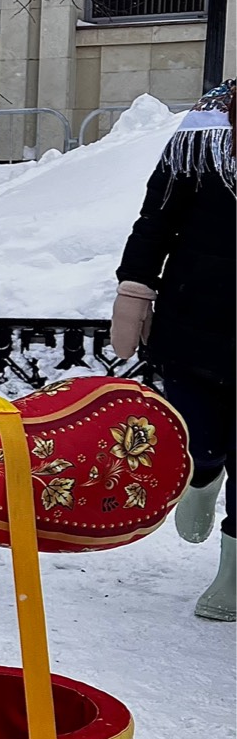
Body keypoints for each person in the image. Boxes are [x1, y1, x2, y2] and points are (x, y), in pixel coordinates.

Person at [111, 79, 236, 622]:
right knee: (202, 441)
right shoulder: (203, 131)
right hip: (196, 321)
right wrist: (135, 286)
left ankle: (232, 573)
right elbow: (158, 216)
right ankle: (203, 476)